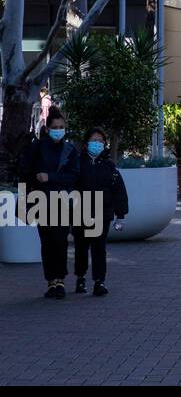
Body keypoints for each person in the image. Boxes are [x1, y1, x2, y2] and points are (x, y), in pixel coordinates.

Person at [18, 108, 80, 299]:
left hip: (62, 201)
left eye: (61, 127)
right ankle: (51, 281)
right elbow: (25, 172)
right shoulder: (37, 147)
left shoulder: (69, 150)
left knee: (60, 241)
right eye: (55, 127)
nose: (58, 130)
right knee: (47, 242)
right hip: (40, 201)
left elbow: (73, 176)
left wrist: (50, 177)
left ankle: (60, 280)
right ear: (47, 128)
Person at [72, 128, 128, 296]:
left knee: (99, 248)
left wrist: (120, 214)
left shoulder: (109, 166)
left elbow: (119, 190)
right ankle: (80, 278)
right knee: (81, 247)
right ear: (86, 143)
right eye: (93, 140)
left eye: (100, 141)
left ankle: (99, 281)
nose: (97, 144)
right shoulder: (77, 164)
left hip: (101, 212)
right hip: (80, 211)